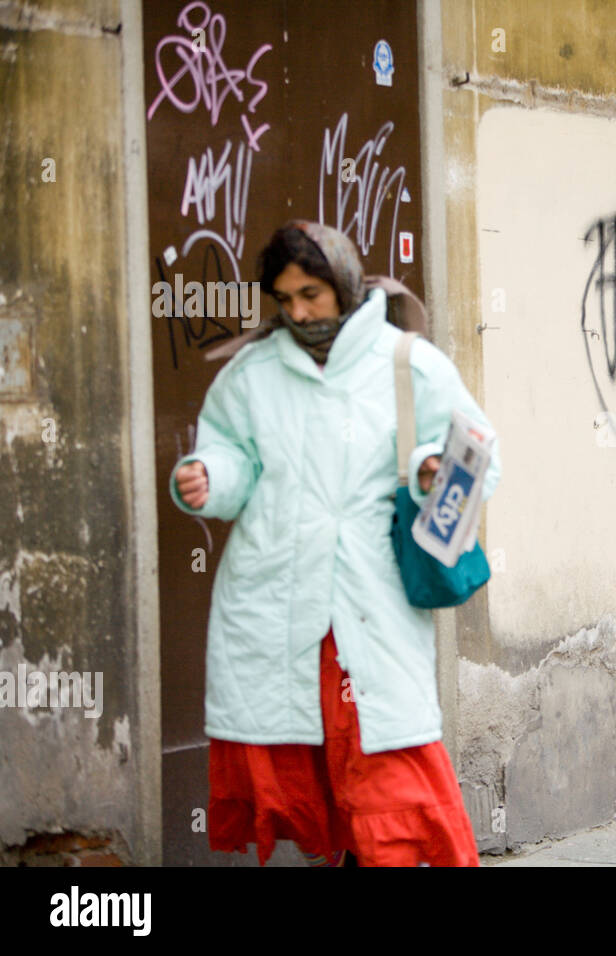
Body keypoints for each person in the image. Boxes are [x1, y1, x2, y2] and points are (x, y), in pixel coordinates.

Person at [170, 220, 500, 867]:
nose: (299, 312)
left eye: (312, 295)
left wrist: (430, 467)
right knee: (309, 753)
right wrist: (209, 478)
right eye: (285, 299)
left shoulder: (407, 363)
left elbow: (479, 452)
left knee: (386, 753)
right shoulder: (252, 373)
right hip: (277, 594)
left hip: (367, 596)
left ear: (345, 287)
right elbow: (232, 455)